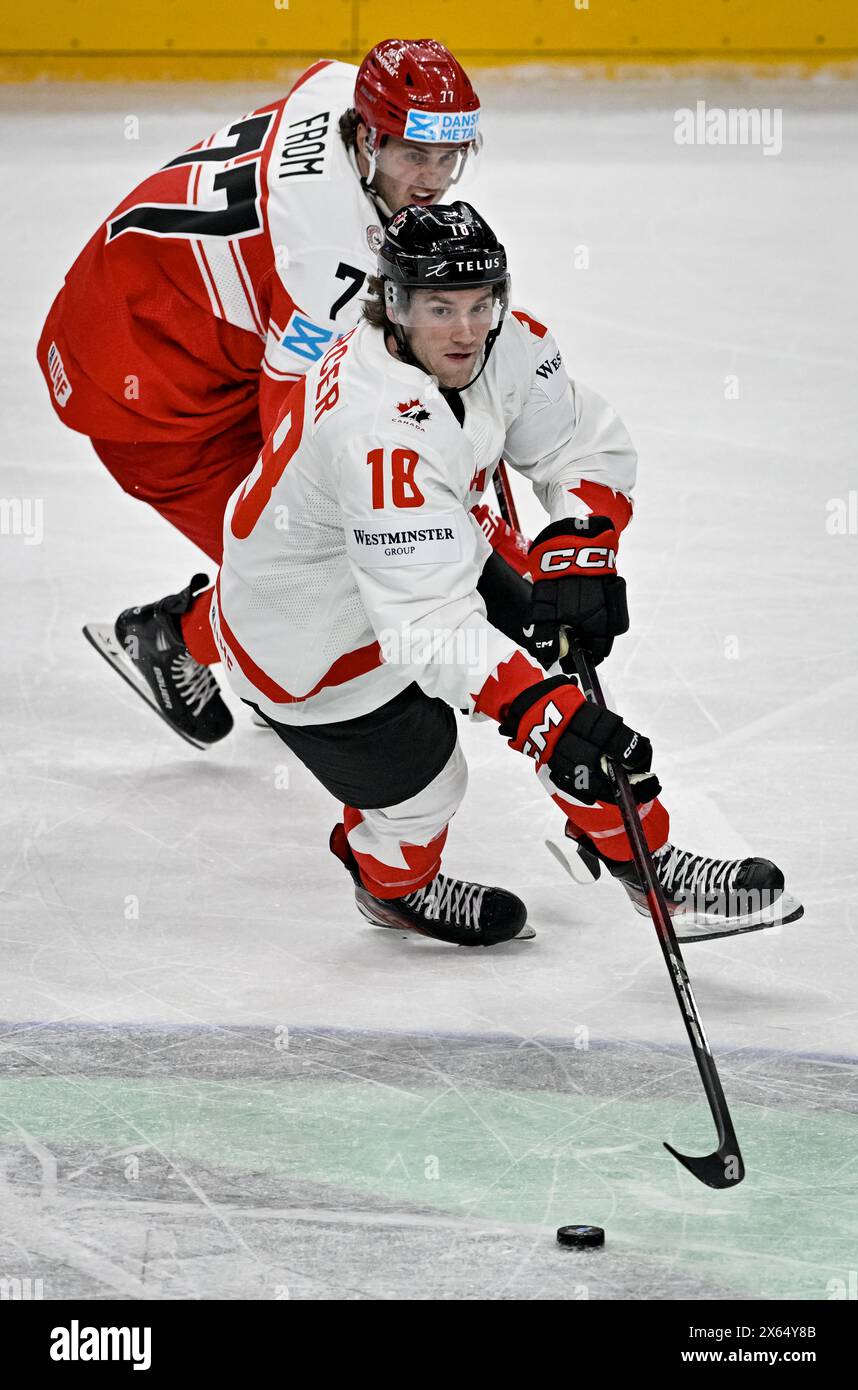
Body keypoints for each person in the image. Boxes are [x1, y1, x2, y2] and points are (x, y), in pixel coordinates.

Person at [212, 200, 804, 947]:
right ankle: (391, 885)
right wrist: (546, 721)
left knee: (563, 691)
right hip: (313, 638)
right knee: (431, 790)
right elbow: (429, 630)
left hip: (410, 556)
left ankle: (653, 872)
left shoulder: (502, 345)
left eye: (478, 303)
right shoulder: (377, 432)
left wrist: (580, 541)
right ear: (392, 304)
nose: (465, 330)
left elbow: (576, 445)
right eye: (439, 307)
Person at [37, 39, 505, 748]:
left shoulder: (343, 87)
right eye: (415, 156)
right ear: (369, 135)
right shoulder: (329, 259)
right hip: (141, 387)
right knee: (312, 565)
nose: (433, 180)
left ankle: (236, 644)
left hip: (163, 315)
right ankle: (170, 640)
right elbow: (301, 457)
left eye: (449, 158)